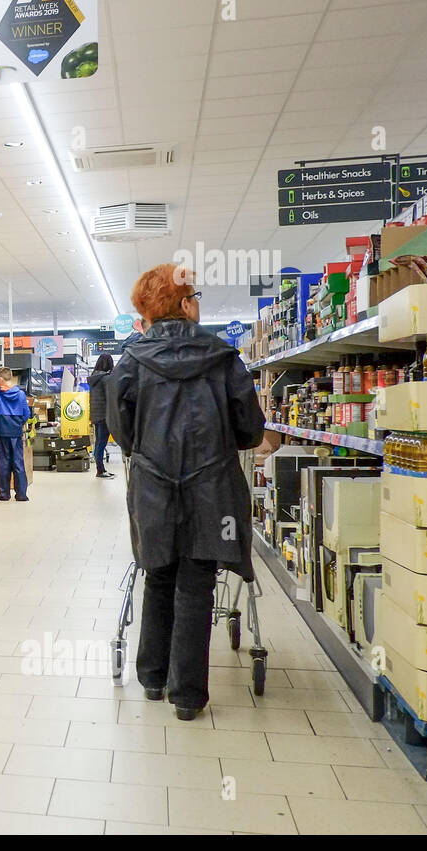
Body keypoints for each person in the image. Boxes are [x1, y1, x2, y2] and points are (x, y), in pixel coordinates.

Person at [107, 264, 265, 722]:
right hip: (212, 488)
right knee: (197, 583)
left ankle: (152, 679)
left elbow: (123, 434)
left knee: (158, 575)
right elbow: (250, 431)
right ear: (185, 303)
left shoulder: (131, 364)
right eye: (194, 294)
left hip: (154, 486)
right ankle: (188, 696)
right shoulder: (224, 359)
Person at [0, 367, 31, 502]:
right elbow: (27, 414)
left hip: (1, 433)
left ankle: (4, 494)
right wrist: (17, 424)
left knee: (3, 463)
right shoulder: (21, 394)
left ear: (0, 379)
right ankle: (21, 494)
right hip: (16, 433)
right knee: (18, 463)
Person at [86, 354, 115, 479]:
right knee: (102, 443)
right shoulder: (106, 379)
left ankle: (100, 468)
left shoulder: (94, 378)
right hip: (104, 414)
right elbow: (111, 397)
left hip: (96, 414)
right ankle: (100, 470)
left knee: (99, 442)